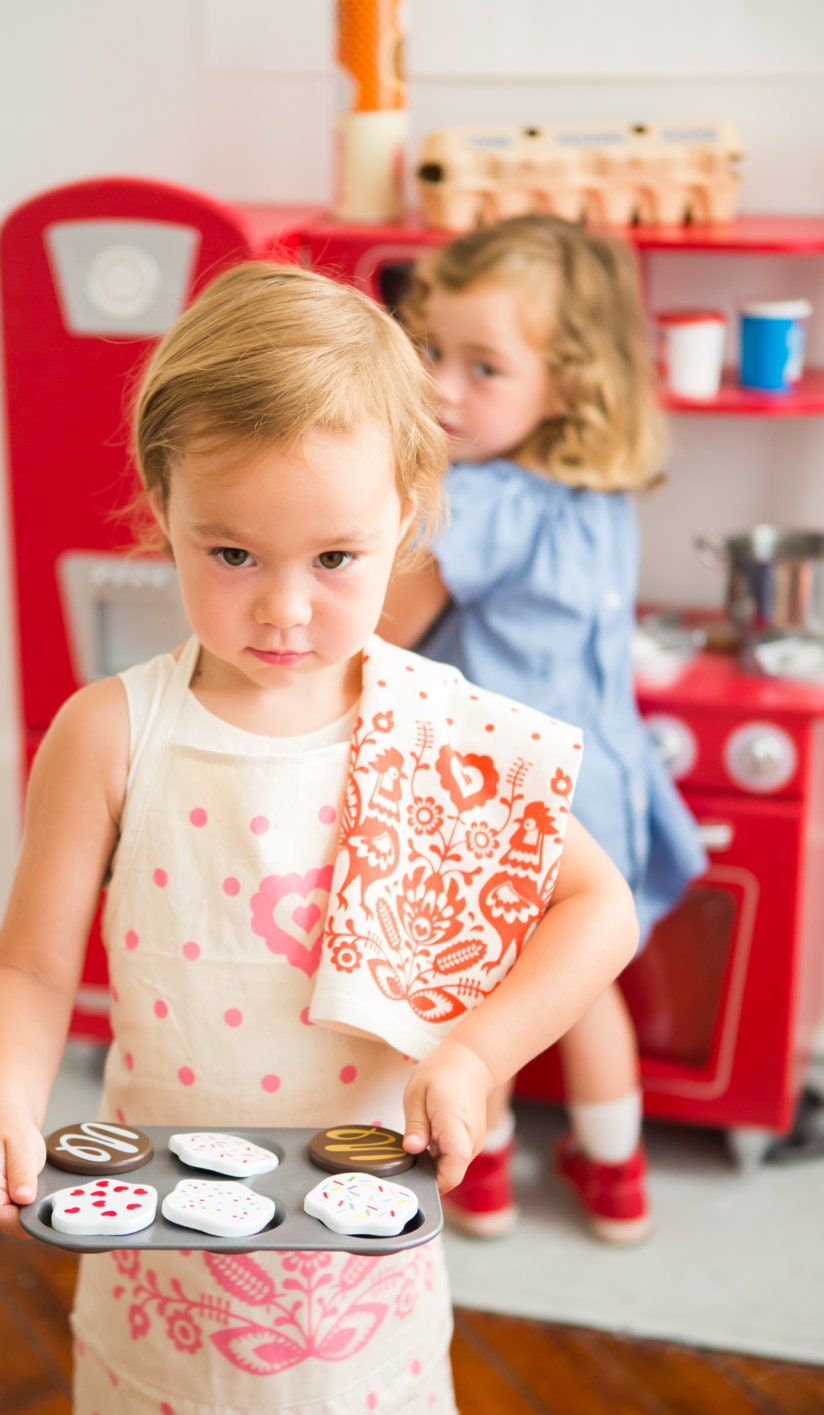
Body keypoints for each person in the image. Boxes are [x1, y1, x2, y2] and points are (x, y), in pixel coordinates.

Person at [0, 259, 639, 1415]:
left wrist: (480, 1054)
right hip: (158, 1270)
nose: (283, 608)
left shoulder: (437, 729)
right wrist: (7, 1102)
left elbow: (598, 909)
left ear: (410, 513)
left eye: (337, 558)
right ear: (160, 503)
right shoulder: (112, 733)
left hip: (359, 1280)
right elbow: (28, 962)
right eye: (231, 552)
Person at [382, 215, 708, 1248]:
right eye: (430, 352)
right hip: (604, 781)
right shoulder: (599, 489)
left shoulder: (477, 502)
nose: (441, 389)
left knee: (492, 997)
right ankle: (616, 1177)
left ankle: (476, 1177)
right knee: (583, 987)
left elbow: (383, 628)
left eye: (483, 368)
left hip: (510, 795)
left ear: (564, 385)